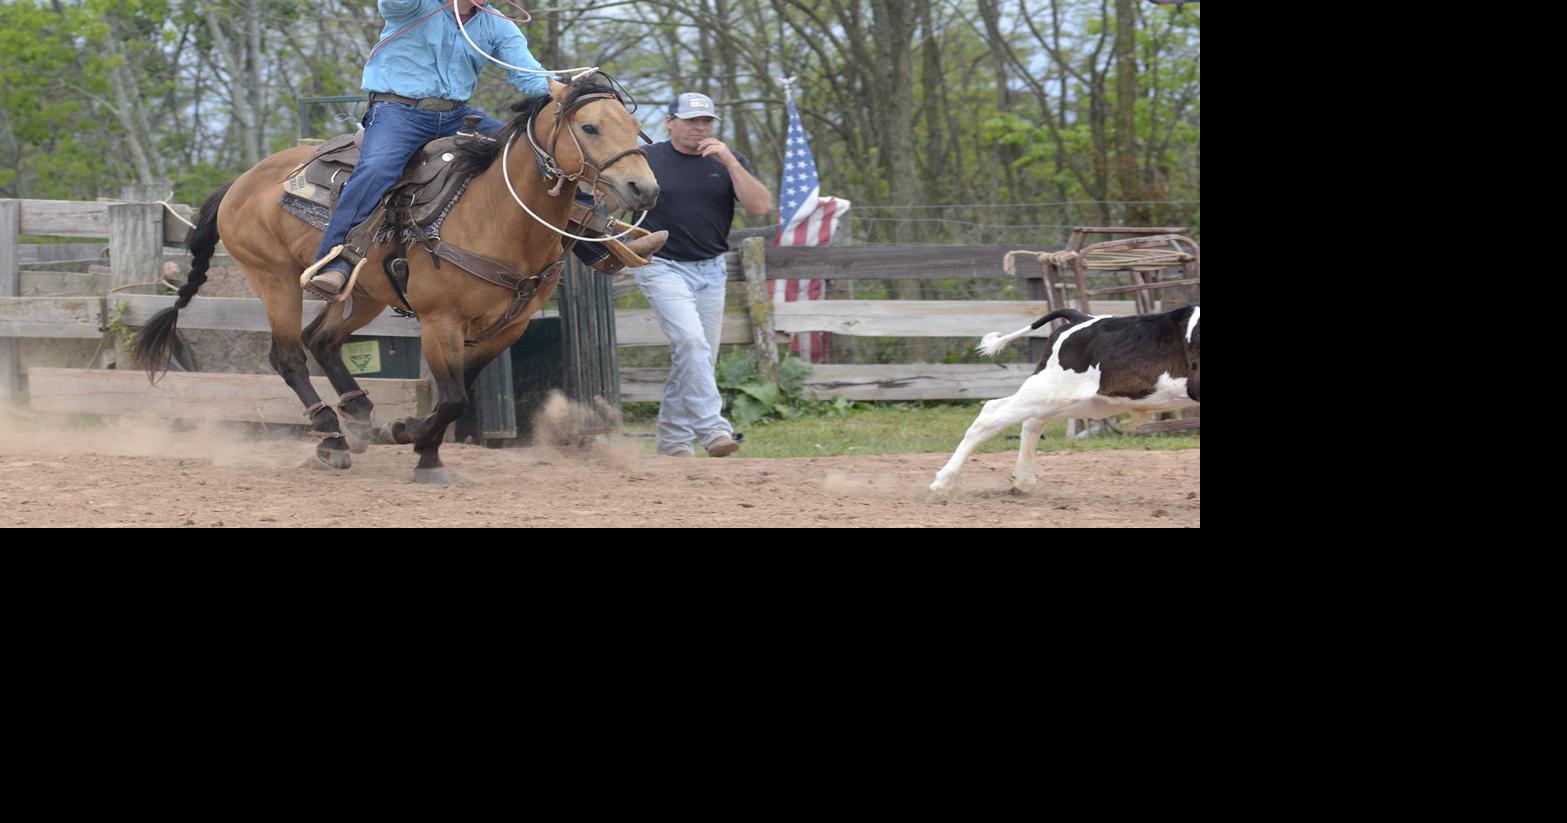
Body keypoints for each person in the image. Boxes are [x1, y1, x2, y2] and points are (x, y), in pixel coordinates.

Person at [304, 0, 664, 297]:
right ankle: (335, 260)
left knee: (535, 156)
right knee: (378, 168)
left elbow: (526, 76)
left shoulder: (496, 25)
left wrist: (566, 86)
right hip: (398, 113)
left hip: (457, 114)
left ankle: (600, 245)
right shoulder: (413, 8)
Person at [633, 93, 773, 457]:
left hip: (712, 269)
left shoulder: (726, 161)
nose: (700, 127)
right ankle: (713, 429)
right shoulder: (648, 159)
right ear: (669, 122)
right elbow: (612, 201)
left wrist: (731, 163)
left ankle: (674, 446)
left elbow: (760, 206)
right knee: (692, 344)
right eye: (692, 120)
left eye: (706, 121)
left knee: (697, 357)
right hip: (662, 265)